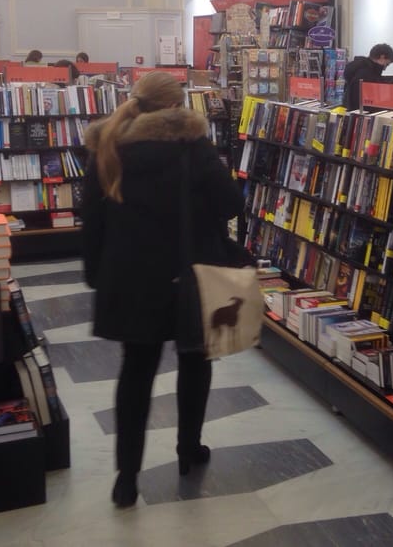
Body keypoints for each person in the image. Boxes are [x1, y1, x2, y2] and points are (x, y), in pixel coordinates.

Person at [81, 71, 244, 508]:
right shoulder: (192, 146)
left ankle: (126, 478)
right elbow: (231, 203)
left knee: (135, 371)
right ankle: (188, 449)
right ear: (177, 105)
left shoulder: (107, 144)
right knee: (195, 360)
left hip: (130, 278)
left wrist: (97, 275)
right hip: (188, 276)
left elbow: (91, 222)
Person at [342, 43, 393, 111]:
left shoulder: (359, 69)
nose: (385, 68)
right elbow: (365, 103)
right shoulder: (366, 74)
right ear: (382, 57)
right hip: (361, 116)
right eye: (387, 64)